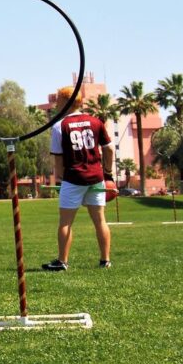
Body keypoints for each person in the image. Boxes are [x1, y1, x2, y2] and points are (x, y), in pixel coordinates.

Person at [41, 85, 114, 271]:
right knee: (100, 220)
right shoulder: (95, 122)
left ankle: (62, 261)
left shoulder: (59, 126)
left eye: (59, 99)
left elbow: (58, 160)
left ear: (68, 101)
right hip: (96, 177)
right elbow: (109, 149)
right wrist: (107, 173)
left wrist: (60, 179)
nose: (57, 103)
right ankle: (105, 260)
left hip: (73, 177)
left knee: (65, 222)